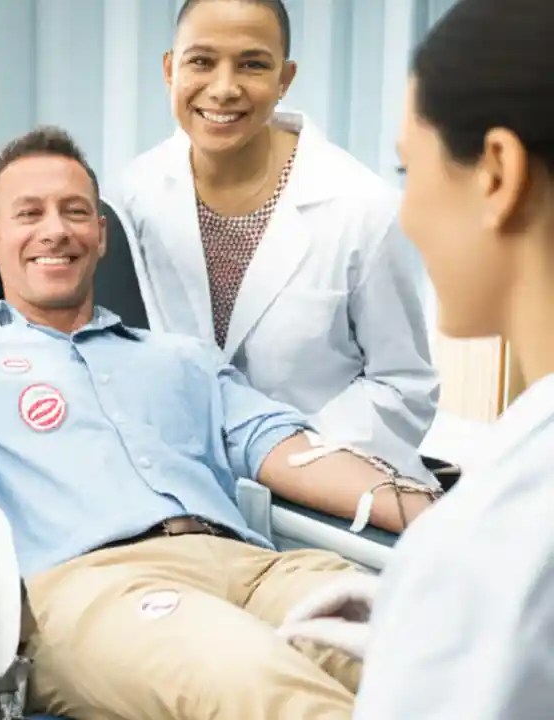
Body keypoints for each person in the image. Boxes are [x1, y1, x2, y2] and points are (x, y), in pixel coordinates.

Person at [0, 127, 444, 720]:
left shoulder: (183, 359)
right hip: (95, 590)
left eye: (74, 211)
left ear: (101, 236)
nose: (55, 229)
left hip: (254, 567)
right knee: (264, 689)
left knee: (438, 646)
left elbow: (292, 450)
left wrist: (448, 521)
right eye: (29, 214)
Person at [279, 1, 554, 717]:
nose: (405, 214)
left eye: (408, 168)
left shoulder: (506, 529)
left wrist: (438, 618)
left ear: (498, 172)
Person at [118, 0, 439, 482]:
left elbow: (403, 385)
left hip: (325, 483)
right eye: (201, 61)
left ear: (284, 79)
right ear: (170, 68)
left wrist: (285, 456)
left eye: (252, 64)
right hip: (186, 485)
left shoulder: (360, 205)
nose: (224, 89)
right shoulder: (134, 193)